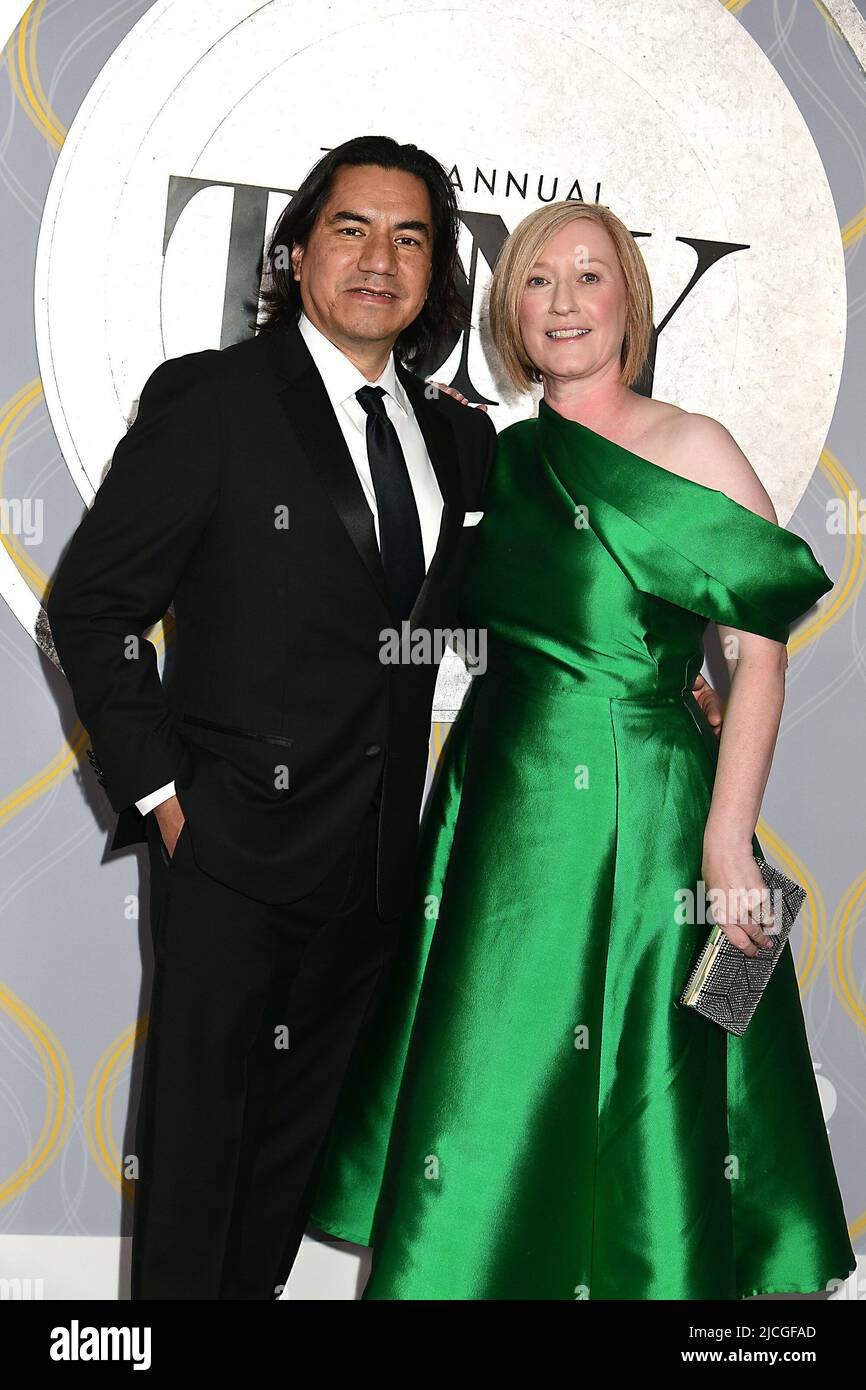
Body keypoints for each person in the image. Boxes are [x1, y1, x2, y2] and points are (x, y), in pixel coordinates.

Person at [306, 199, 857, 1300]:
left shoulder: (691, 444)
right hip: (502, 809)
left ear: (628, 303)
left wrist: (725, 842)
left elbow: (755, 657)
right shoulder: (501, 459)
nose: (562, 301)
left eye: (588, 276)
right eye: (536, 280)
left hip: (642, 812)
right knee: (487, 1075)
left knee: (643, 1081)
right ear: (509, 309)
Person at [46, 134, 502, 1300]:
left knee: (284, 1180)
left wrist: (692, 655)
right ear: (296, 251)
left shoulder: (458, 435)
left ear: (433, 275)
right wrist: (168, 803)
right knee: (199, 1177)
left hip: (372, 874)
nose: (378, 259)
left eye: (409, 238)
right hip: (235, 855)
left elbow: (506, 607)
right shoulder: (215, 401)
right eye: (351, 228)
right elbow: (93, 608)